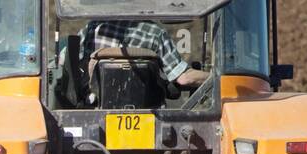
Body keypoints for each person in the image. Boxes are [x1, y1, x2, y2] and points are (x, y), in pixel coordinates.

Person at [80, 20, 211, 88]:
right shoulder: (155, 33)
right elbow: (184, 78)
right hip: (147, 114)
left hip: (95, 109)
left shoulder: (93, 27)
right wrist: (216, 77)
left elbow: (67, 62)